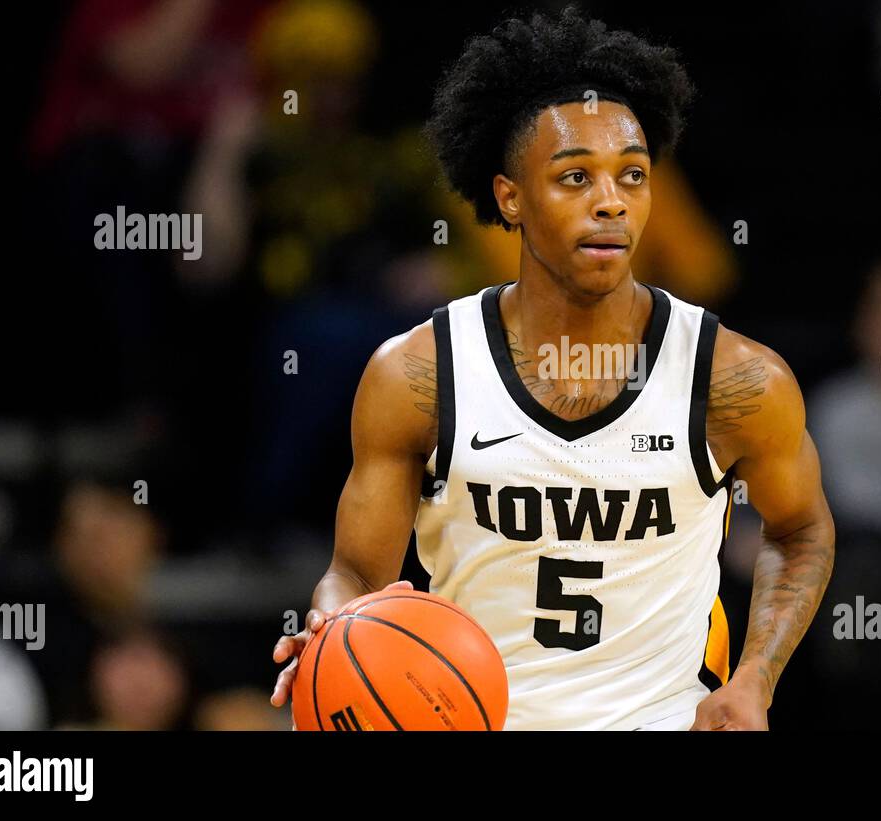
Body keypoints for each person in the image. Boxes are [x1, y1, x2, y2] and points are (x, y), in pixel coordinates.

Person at [270, 7, 835, 730]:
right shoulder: (417, 375)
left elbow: (802, 530)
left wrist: (755, 674)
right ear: (510, 197)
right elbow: (355, 572)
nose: (610, 202)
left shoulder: (737, 379)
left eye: (632, 176)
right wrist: (331, 627)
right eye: (575, 178)